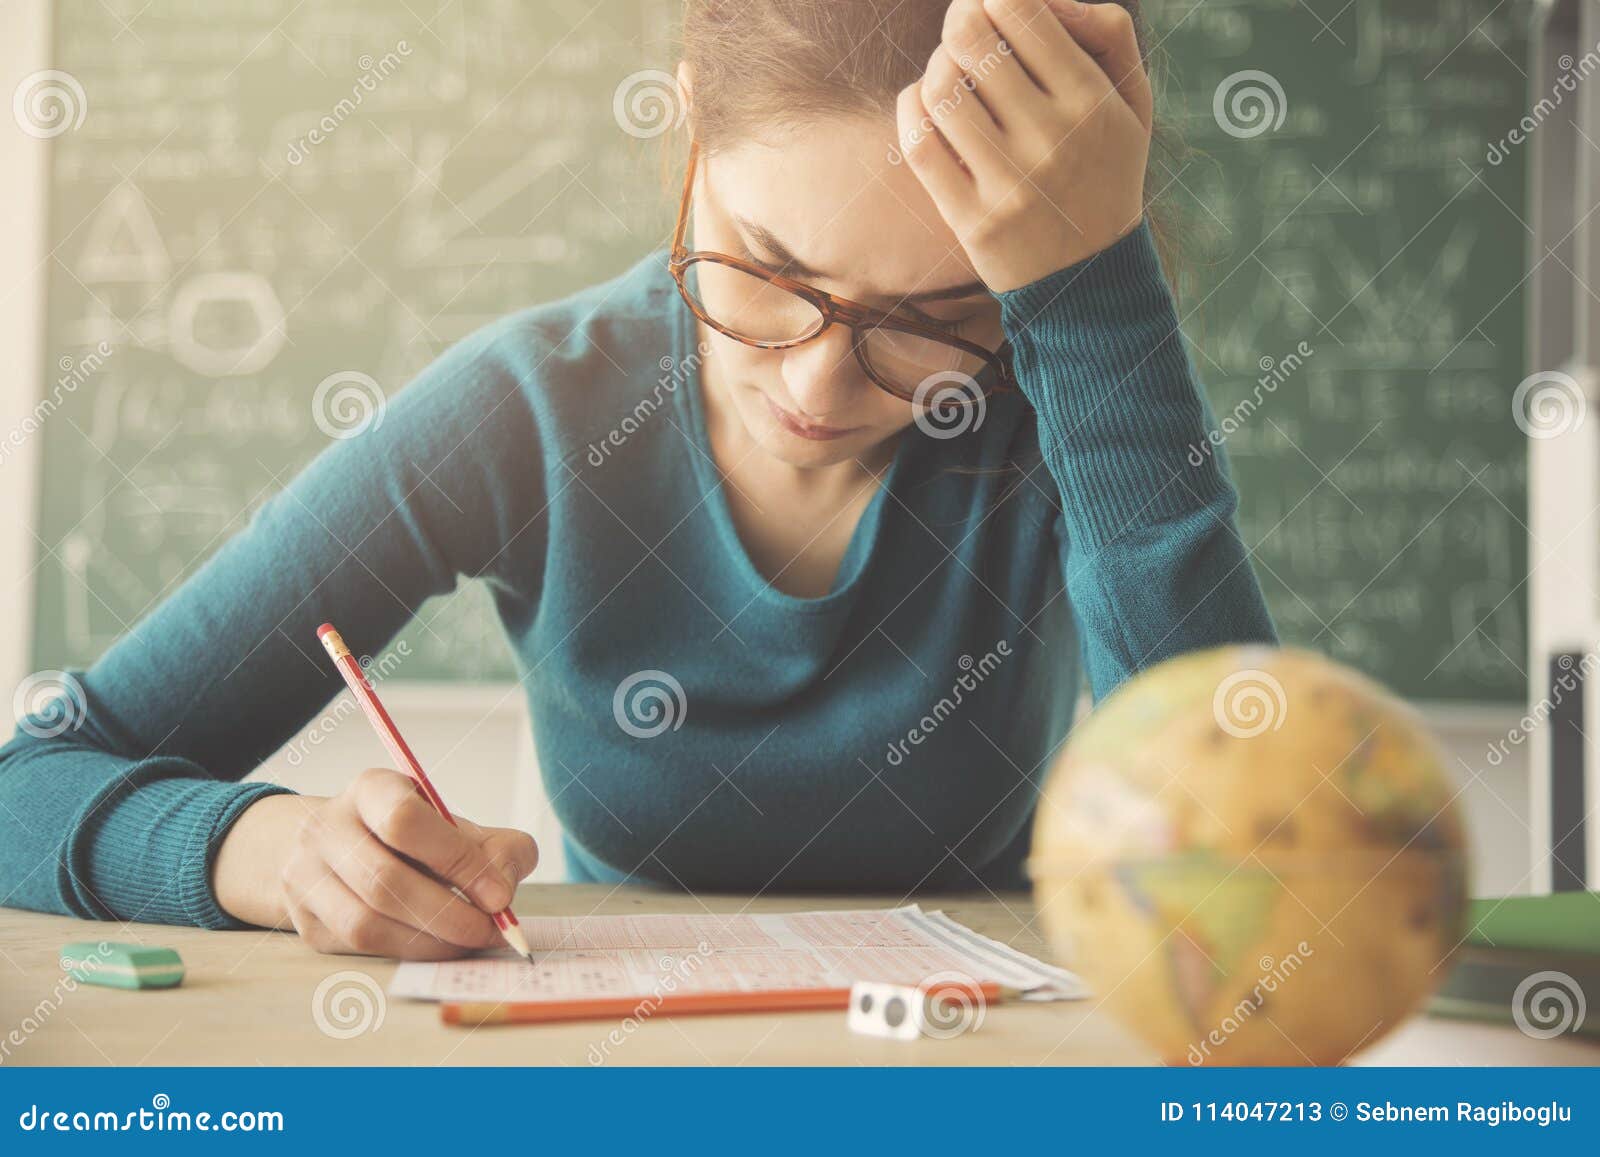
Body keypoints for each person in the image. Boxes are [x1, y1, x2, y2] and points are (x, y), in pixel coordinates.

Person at [0, 0, 1274, 959]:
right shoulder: (533, 407)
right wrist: (264, 852)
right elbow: (27, 785)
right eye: (767, 273)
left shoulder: (1061, 388)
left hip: (986, 1059)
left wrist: (1096, 293)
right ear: (685, 142)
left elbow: (1257, 869)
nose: (818, 387)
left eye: (932, 319)